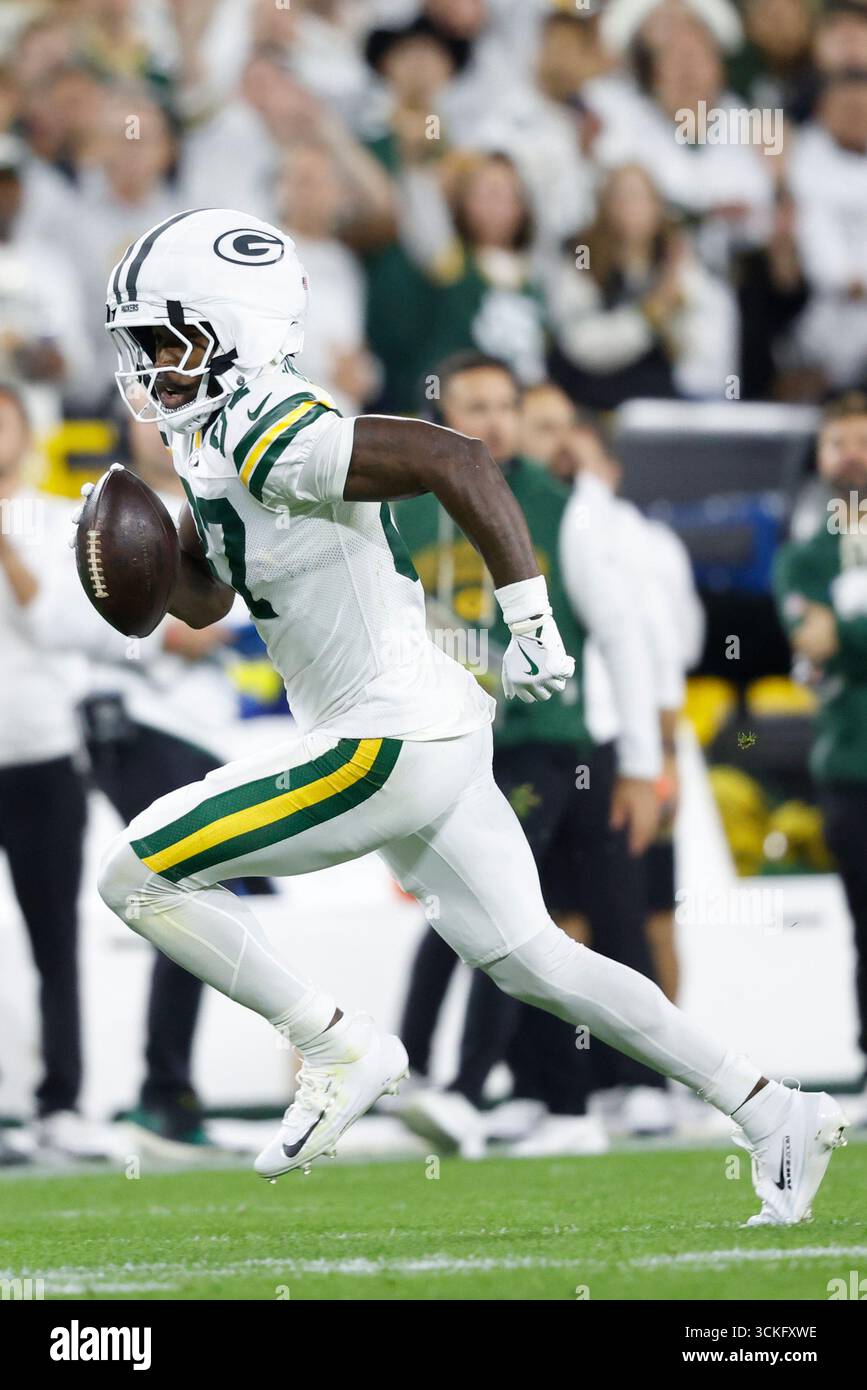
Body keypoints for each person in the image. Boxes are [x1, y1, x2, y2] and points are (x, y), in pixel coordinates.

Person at [90, 206, 847, 1224]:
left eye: (167, 340)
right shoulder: (220, 435)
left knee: (137, 872)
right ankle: (772, 1109)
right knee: (539, 959)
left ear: (239, 326)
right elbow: (216, 593)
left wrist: (530, 620)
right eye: (140, 345)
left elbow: (460, 459)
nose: (152, 365)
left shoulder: (271, 427)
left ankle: (337, 1044)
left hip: (383, 735)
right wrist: (133, 574)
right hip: (419, 727)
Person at [393, 357, 669, 1154]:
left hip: (539, 744)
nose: (499, 420)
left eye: (507, 405)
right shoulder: (401, 509)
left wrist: (643, 764)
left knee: (492, 910)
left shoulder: (560, 506)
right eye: (477, 405)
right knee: (464, 913)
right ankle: (493, 1092)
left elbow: (620, 636)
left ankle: (466, 1089)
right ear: (440, 415)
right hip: (451, 744)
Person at [0, 382, 111, 1160]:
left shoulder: (57, 517)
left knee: (55, 937)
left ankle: (61, 1101)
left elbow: (61, 623)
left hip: (41, 754)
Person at [774, 391, 867, 1097]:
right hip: (849, 766)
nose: (852, 456)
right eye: (838, 443)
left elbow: (834, 639)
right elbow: (810, 643)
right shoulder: (805, 556)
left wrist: (848, 636)